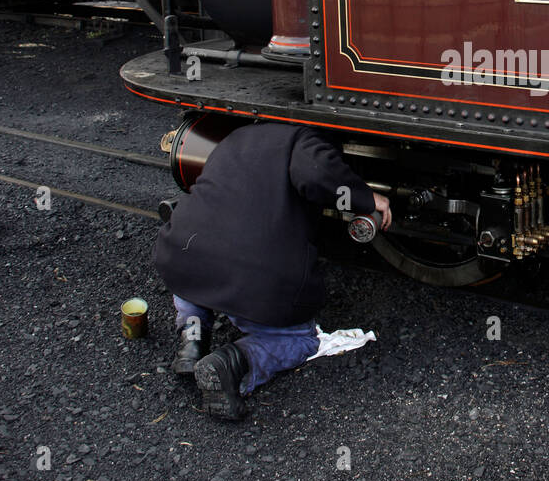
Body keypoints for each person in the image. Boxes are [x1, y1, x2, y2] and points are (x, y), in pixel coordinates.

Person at [153, 122, 391, 420]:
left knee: (194, 274)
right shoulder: (305, 138)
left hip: (183, 251)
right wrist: (367, 198)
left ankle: (192, 342)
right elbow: (317, 173)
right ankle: (233, 362)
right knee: (301, 339)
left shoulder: (236, 135)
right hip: (253, 275)